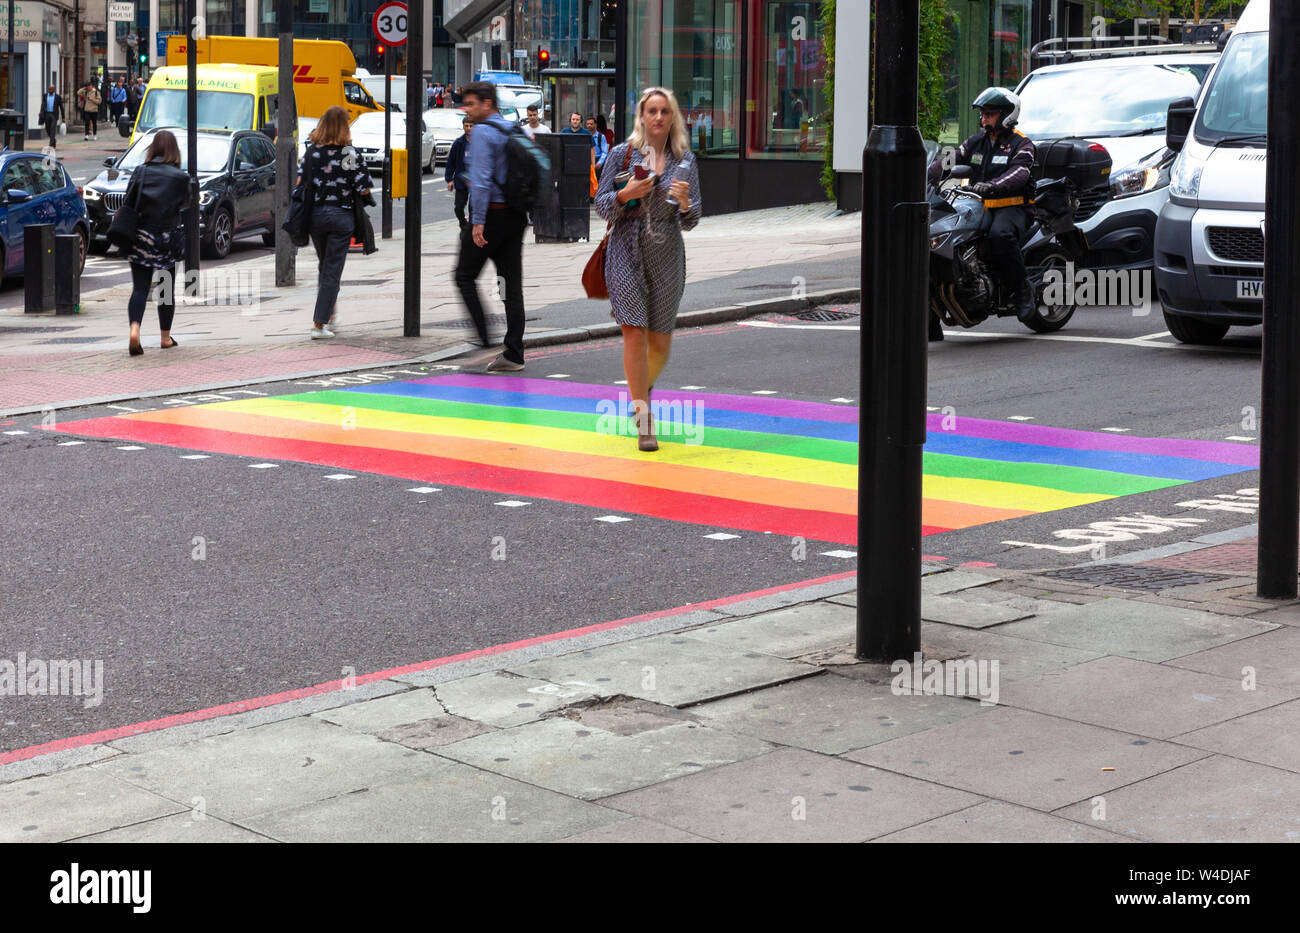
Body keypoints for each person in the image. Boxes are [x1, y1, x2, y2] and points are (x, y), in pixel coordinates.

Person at [594, 86, 701, 452]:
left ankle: (639, 388)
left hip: (667, 253)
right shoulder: (622, 155)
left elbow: (692, 219)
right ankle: (644, 419)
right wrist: (626, 194)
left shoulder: (684, 159)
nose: (657, 117)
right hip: (625, 248)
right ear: (641, 116)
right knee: (634, 333)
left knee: (660, 341)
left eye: (664, 111)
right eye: (651, 111)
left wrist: (687, 204)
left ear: (672, 118)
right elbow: (601, 205)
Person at [927, 86, 1036, 323]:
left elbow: (1020, 172)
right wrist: (927, 174)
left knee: (1000, 236)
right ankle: (931, 320)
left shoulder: (1021, 144)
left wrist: (993, 185)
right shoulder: (976, 142)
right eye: (983, 113)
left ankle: (1023, 289)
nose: (984, 117)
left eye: (990, 113)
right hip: (980, 204)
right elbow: (952, 158)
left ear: (1006, 115)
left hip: (1013, 205)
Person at [453, 81, 529, 372]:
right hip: (515, 216)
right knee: (509, 285)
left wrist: (477, 222)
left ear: (487, 104)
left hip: (493, 217)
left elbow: (482, 180)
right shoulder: (511, 127)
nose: (467, 110)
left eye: (471, 104)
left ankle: (485, 343)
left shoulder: (483, 132)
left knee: (464, 276)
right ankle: (514, 352)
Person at [298, 106, 373, 339]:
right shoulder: (348, 153)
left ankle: (329, 316)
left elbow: (300, 181)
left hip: (316, 216)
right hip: (341, 216)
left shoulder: (312, 152)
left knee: (324, 265)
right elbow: (363, 188)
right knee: (331, 270)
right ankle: (319, 324)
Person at [122, 130, 190, 356]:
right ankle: (164, 337)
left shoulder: (141, 172)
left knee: (140, 288)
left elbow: (128, 200)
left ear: (153, 149)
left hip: (141, 236)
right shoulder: (180, 177)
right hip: (168, 238)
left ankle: (135, 330)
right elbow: (186, 204)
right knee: (166, 289)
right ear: (173, 150)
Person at [445, 116, 472, 231]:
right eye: (466, 126)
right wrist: (449, 179)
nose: (469, 128)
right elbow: (451, 162)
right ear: (463, 127)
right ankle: (463, 223)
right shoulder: (459, 143)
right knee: (459, 207)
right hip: (461, 181)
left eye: (471, 126)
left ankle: (472, 229)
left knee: (474, 208)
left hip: (476, 181)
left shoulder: (480, 143)